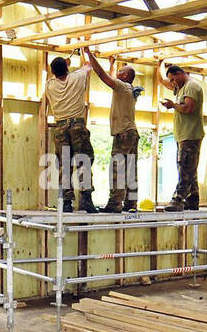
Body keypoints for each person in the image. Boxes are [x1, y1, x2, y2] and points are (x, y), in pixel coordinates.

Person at [82, 47, 140, 212]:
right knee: (130, 169)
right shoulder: (129, 89)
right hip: (132, 133)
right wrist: (112, 64)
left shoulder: (121, 86)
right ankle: (131, 203)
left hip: (123, 134)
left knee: (117, 168)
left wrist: (89, 54)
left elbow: (103, 76)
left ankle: (115, 204)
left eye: (121, 71)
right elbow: (112, 77)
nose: (118, 73)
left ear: (125, 76)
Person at [41, 55, 96, 213]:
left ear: (53, 72)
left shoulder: (49, 85)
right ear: (67, 68)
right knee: (84, 161)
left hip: (60, 128)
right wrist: (85, 53)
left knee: (64, 165)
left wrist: (65, 62)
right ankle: (86, 200)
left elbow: (57, 72)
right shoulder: (77, 77)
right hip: (77, 126)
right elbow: (88, 65)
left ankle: (66, 202)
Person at [160, 63, 205, 211]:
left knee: (185, 168)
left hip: (190, 135)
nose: (173, 83)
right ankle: (193, 199)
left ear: (180, 73)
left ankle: (178, 199)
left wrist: (173, 105)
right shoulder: (181, 88)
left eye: (173, 79)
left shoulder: (191, 86)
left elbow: (188, 108)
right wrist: (160, 63)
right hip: (183, 135)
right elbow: (162, 81)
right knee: (190, 169)